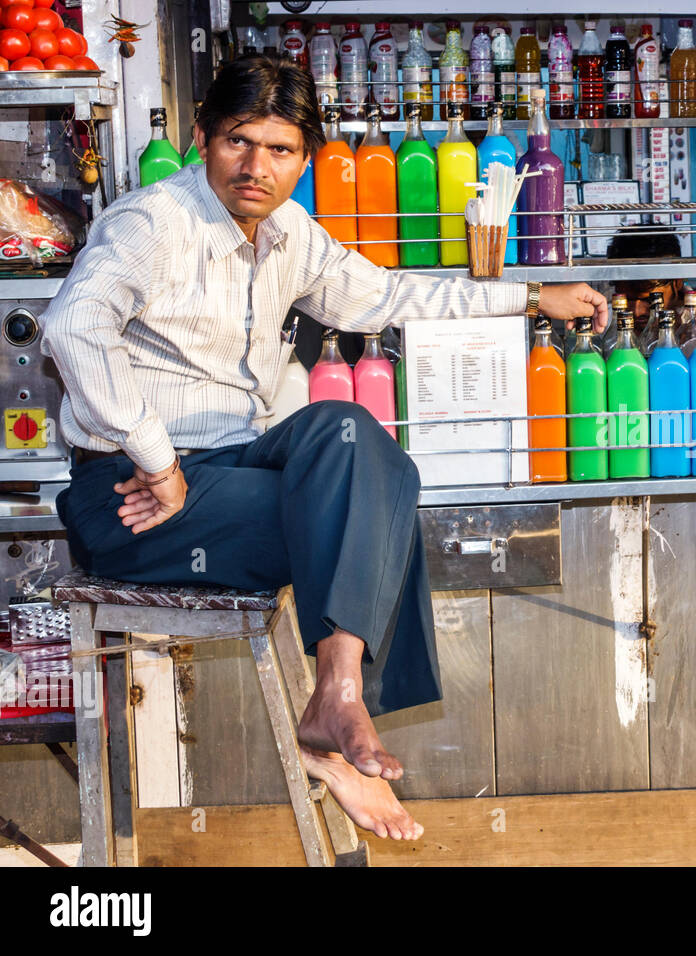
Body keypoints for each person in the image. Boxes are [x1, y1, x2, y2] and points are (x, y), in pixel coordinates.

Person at [42, 56, 606, 841]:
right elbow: (72, 328)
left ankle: (336, 691)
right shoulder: (152, 224)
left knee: (356, 441)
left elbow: (387, 295)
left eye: (280, 150)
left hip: (224, 473)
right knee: (377, 505)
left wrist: (530, 296)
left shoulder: (288, 235)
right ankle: (332, 725)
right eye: (240, 142)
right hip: (131, 499)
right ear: (203, 137)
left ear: (304, 158)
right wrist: (158, 462)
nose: (256, 167)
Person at [605, 228, 696, 327]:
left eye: (650, 300)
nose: (637, 312)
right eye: (626, 300)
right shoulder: (602, 323)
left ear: (678, 282)